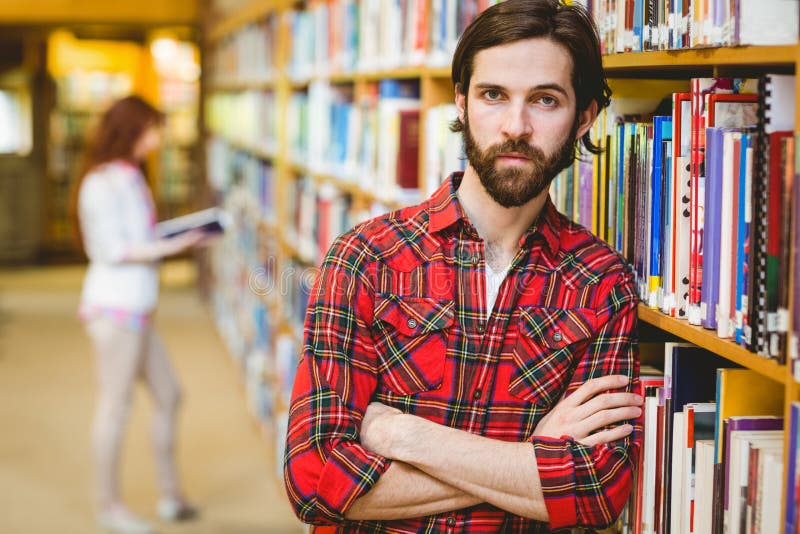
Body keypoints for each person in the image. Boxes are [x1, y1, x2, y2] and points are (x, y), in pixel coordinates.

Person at [283, 0, 643, 532]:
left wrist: (405, 437)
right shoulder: (365, 258)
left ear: (584, 117)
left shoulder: (601, 283)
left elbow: (595, 490)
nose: (515, 126)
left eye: (545, 100)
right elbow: (314, 481)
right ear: (462, 102)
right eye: (493, 95)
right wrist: (529, 458)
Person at [75, 96, 205, 533]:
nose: (157, 138)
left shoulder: (131, 176)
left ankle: (170, 495)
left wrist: (174, 236)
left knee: (170, 394)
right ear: (131, 130)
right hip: (115, 309)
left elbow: (138, 234)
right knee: (115, 406)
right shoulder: (100, 183)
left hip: (138, 308)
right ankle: (108, 505)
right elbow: (111, 249)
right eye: (152, 128)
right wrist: (172, 246)